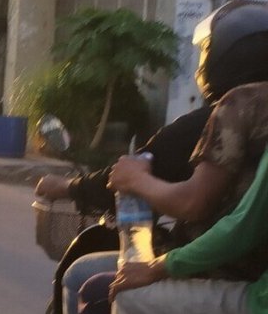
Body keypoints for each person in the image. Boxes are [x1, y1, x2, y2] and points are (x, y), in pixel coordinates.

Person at [75, 0, 268, 313]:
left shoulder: (238, 106)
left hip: (229, 276)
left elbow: (204, 209)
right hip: (239, 270)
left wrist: (159, 265)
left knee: (108, 289)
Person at [33, 105, 211, 314]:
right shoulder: (229, 116)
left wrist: (69, 187)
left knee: (78, 276)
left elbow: (188, 200)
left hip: (207, 271)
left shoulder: (217, 116)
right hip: (207, 264)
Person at [109, 148, 268, 314]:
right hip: (207, 260)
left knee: (127, 295)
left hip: (257, 299)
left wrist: (159, 267)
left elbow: (238, 229)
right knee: (100, 275)